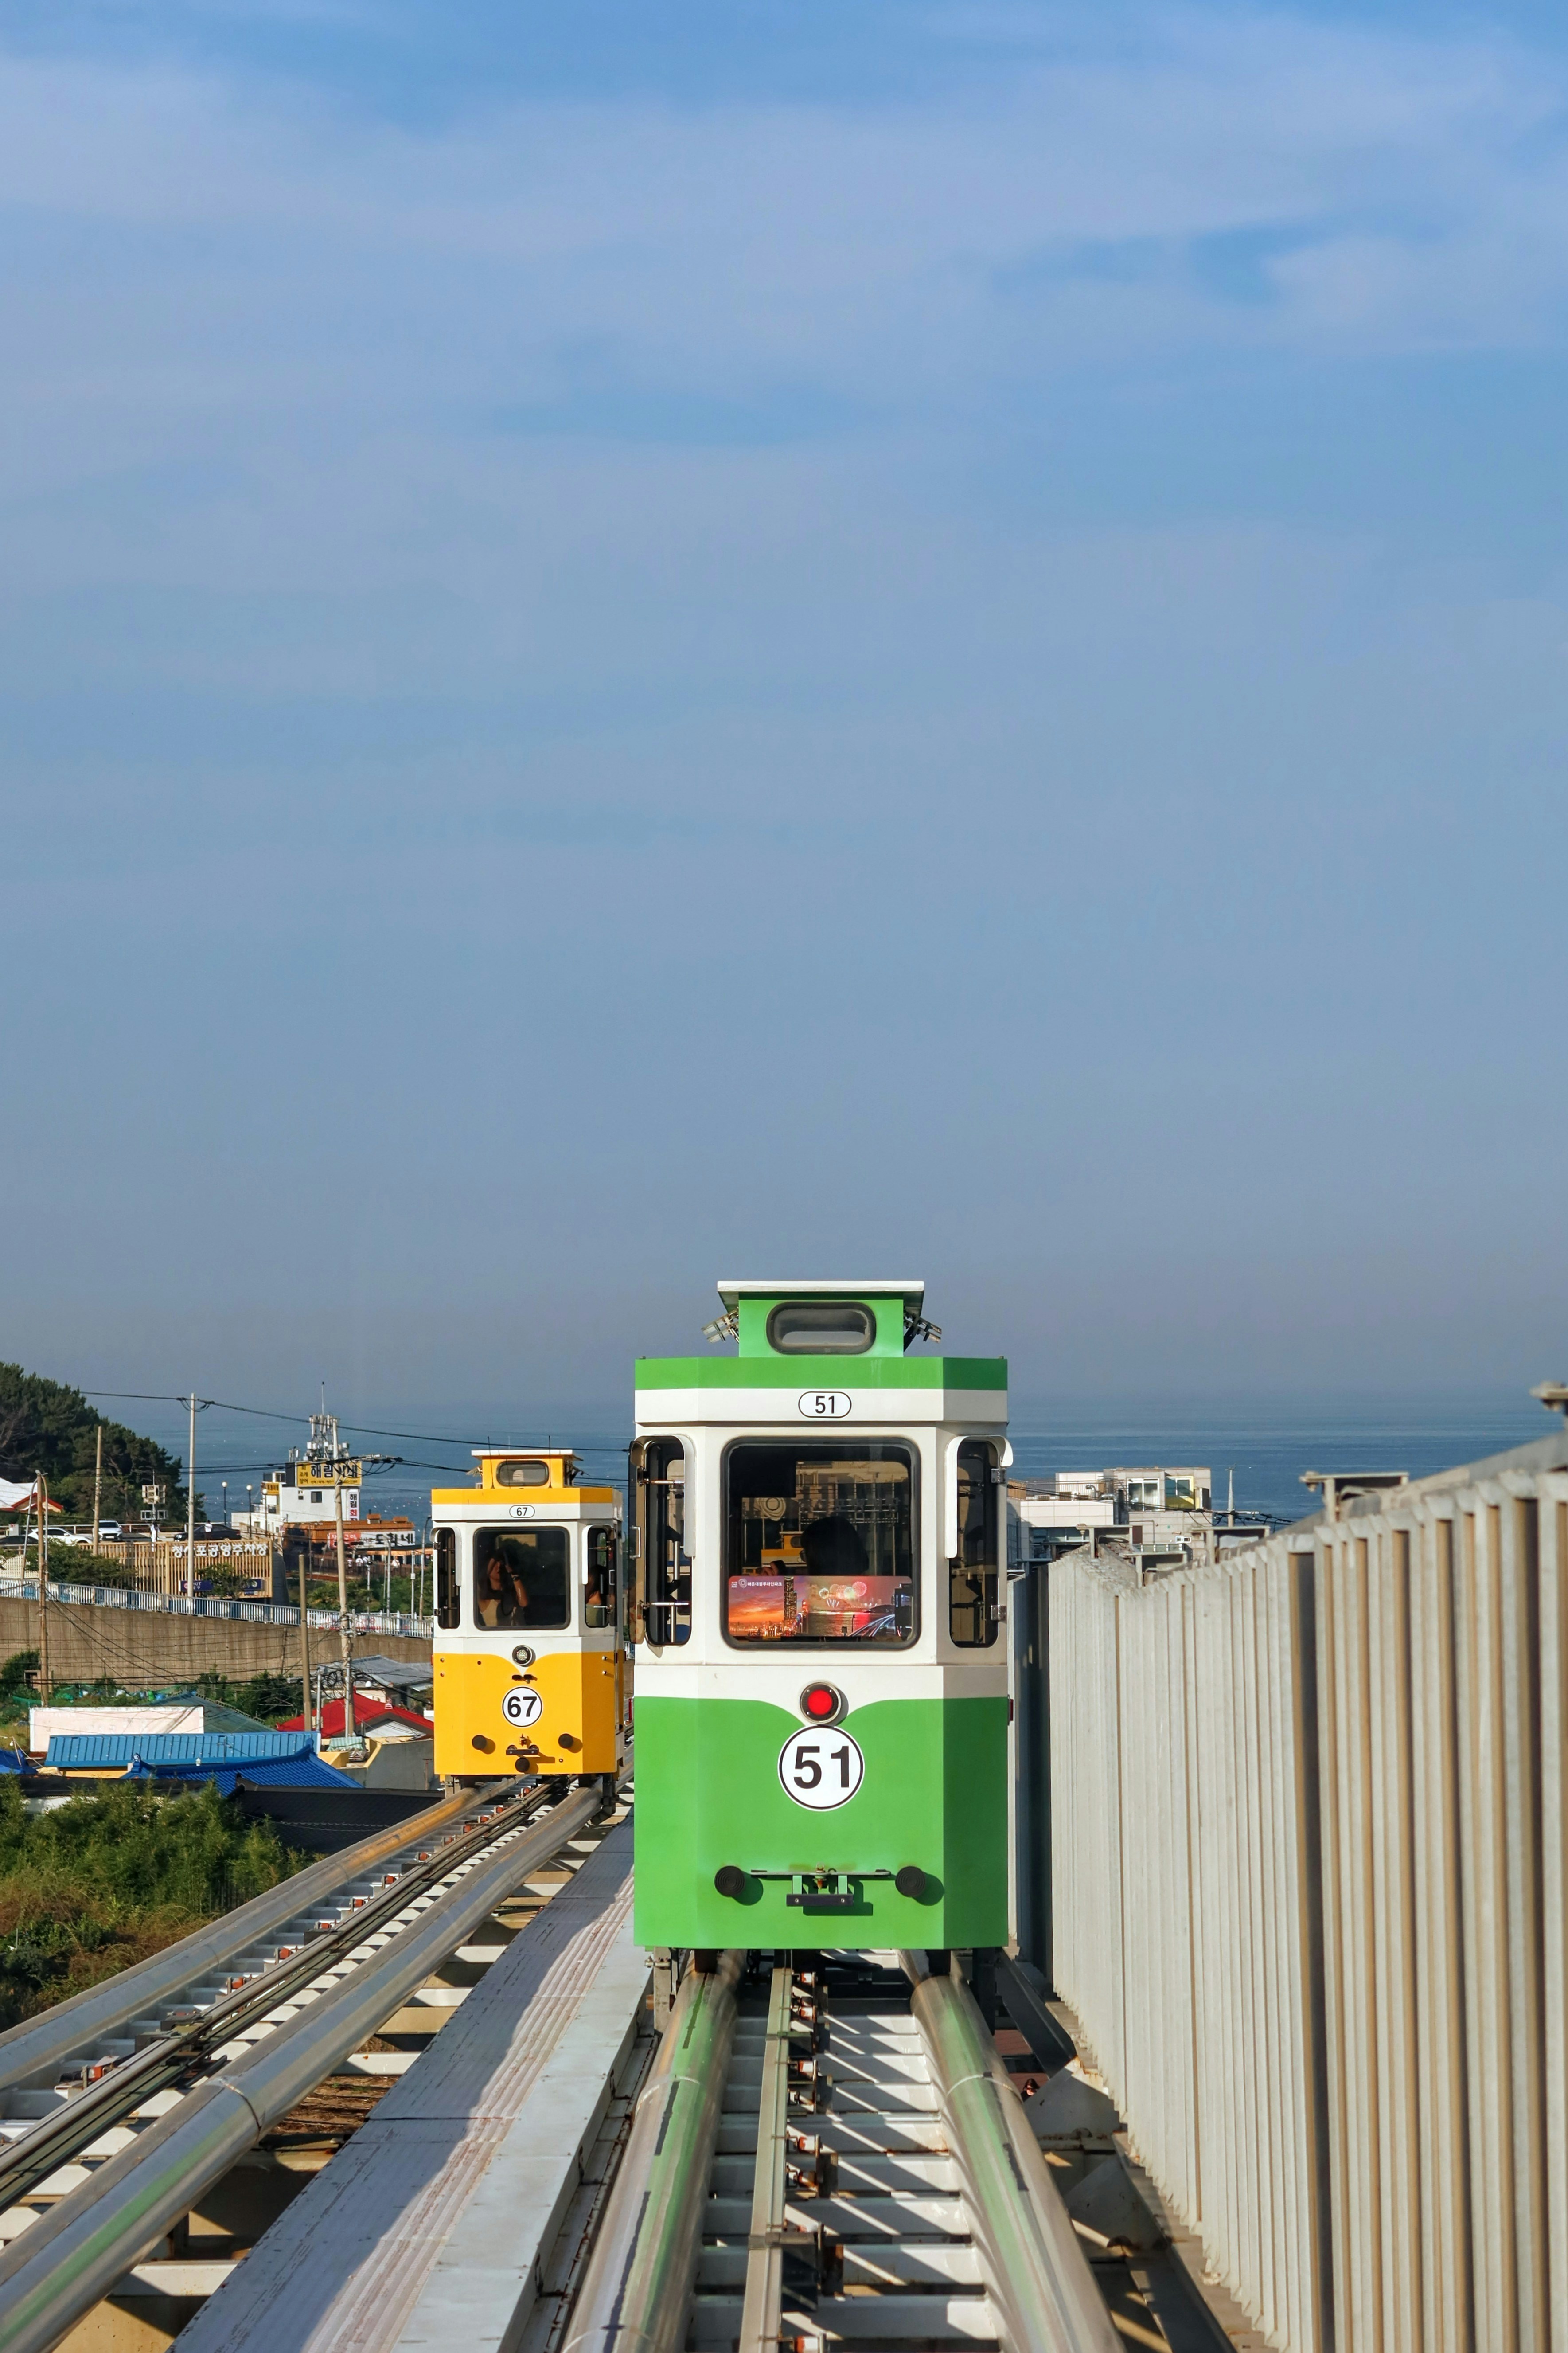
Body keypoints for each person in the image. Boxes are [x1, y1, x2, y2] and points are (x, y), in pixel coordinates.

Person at [476, 1545, 529, 1628]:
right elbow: (481, 1578)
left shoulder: (512, 1592)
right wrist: (496, 1556)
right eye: (495, 1564)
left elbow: (524, 1603)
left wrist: (514, 1574)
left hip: (519, 1639)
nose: (499, 1567)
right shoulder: (484, 1598)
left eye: (501, 1563)